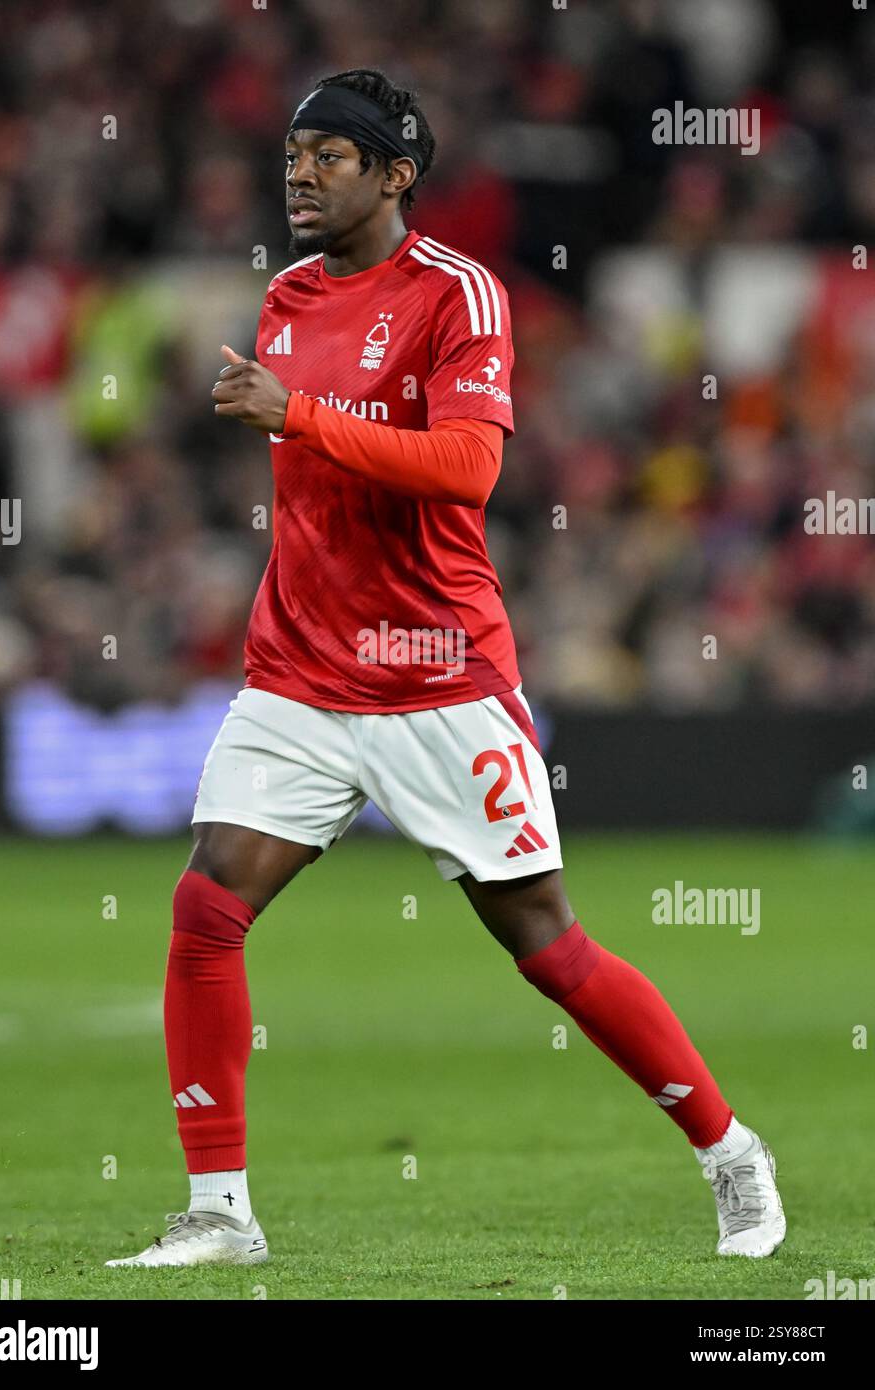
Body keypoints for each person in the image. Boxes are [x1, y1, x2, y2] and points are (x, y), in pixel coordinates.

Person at [106, 68, 785, 1270]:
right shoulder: (284, 294)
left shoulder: (459, 295)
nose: (299, 174)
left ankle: (731, 1153)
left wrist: (295, 412)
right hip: (300, 673)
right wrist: (288, 430)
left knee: (550, 948)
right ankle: (222, 1212)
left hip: (436, 675)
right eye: (293, 154)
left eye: (328, 155)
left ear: (394, 174)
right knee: (205, 908)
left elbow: (466, 467)